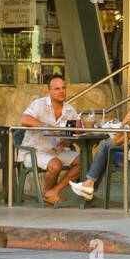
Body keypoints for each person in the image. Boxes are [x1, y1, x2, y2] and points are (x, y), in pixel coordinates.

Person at [69, 90, 130, 201]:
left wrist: (124, 122)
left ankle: (90, 184)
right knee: (105, 148)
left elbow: (116, 142)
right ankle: (89, 186)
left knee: (106, 150)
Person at [18, 75, 80, 205]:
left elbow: (76, 131)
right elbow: (24, 119)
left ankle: (53, 192)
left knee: (84, 160)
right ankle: (48, 193)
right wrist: (45, 126)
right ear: (49, 91)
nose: (61, 91)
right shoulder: (39, 104)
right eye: (57, 89)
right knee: (55, 164)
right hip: (34, 151)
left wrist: (68, 141)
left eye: (63, 88)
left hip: (56, 150)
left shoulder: (70, 110)